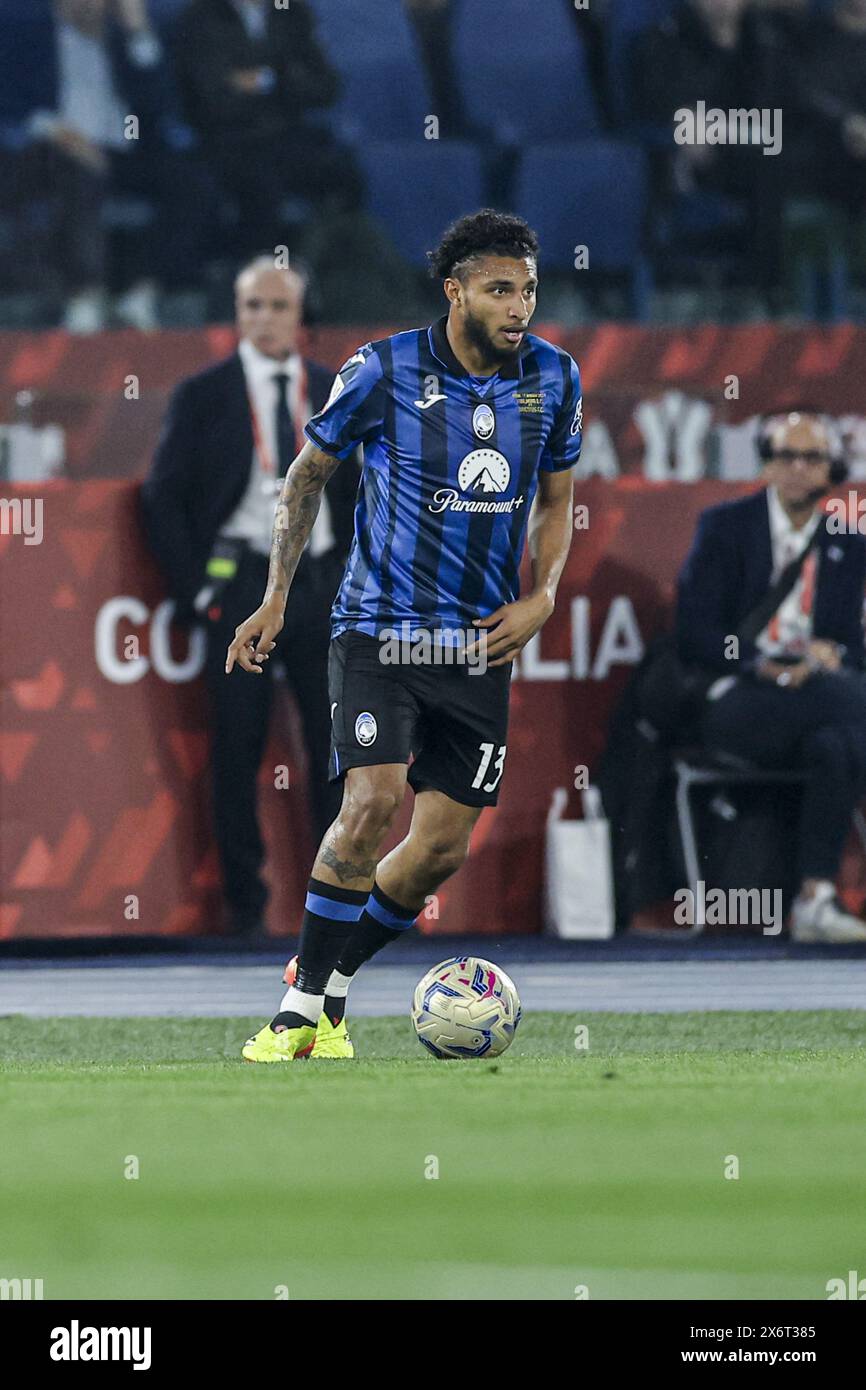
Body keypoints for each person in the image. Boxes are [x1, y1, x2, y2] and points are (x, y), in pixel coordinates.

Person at [226, 209, 582, 1060]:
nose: (519, 307)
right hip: (378, 630)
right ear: (455, 290)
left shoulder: (556, 378)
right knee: (374, 801)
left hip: (477, 646)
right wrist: (277, 595)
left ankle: (331, 990)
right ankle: (297, 1015)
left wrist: (546, 596)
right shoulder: (381, 371)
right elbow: (307, 476)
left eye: (529, 290)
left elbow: (560, 501)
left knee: (438, 851)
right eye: (501, 289)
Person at [141, 258, 358, 936]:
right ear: (237, 314)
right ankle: (245, 907)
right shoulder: (202, 394)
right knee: (237, 749)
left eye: (276, 306)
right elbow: (162, 498)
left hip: (318, 585)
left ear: (301, 317)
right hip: (238, 587)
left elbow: (365, 495)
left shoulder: (333, 391)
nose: (263, 319)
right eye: (251, 306)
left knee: (335, 752)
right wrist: (200, 590)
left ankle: (336, 905)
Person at [676, 409, 866, 944]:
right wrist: (762, 664)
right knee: (852, 707)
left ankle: (815, 901)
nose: (799, 468)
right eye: (787, 456)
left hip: (822, 702)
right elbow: (693, 633)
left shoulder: (848, 544)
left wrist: (830, 658)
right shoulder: (726, 528)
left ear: (833, 469)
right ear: (767, 466)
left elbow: (852, 644)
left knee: (838, 743)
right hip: (736, 700)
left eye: (813, 458)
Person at [174, 0, 362, 259]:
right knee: (261, 186)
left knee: (345, 175)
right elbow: (212, 100)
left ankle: (324, 267)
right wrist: (284, 85)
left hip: (287, 135)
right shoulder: (201, 17)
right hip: (228, 142)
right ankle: (251, 279)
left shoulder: (293, 13)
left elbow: (326, 88)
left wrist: (265, 79)